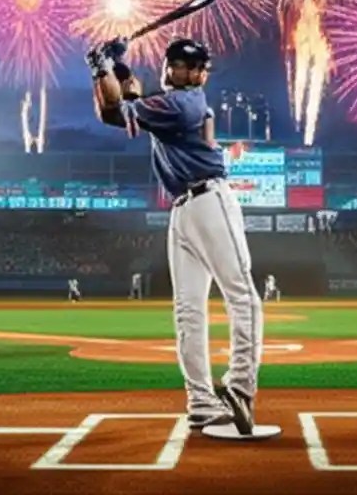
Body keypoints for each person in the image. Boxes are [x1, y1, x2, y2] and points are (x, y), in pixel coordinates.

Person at [88, 36, 264, 436]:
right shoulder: (171, 102)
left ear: (196, 73)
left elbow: (112, 111)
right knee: (188, 309)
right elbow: (133, 94)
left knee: (242, 295)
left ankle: (240, 387)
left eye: (192, 66)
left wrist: (100, 67)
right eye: (181, 64)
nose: (183, 70)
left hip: (209, 199)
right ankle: (201, 402)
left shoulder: (183, 103)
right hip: (184, 209)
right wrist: (116, 66)